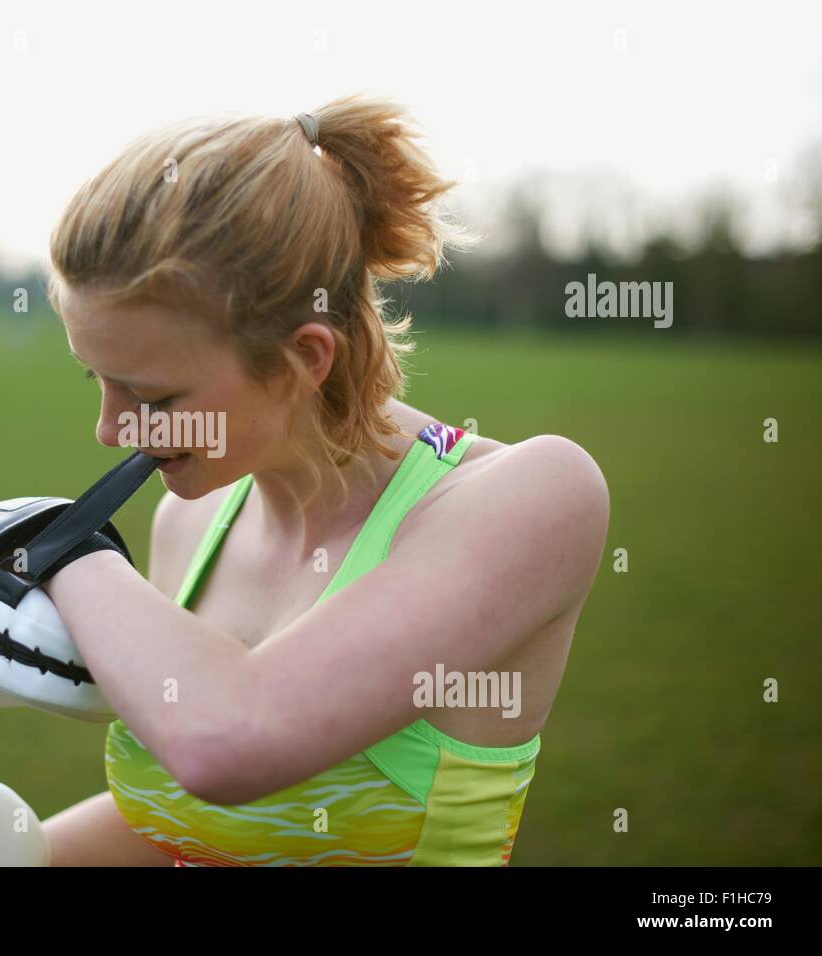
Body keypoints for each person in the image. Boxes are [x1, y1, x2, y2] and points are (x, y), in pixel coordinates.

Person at [37, 93, 610, 866]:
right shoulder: (190, 520)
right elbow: (184, 830)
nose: (111, 431)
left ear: (305, 358)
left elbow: (229, 746)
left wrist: (63, 552)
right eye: (95, 382)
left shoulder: (533, 496)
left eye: (153, 397)